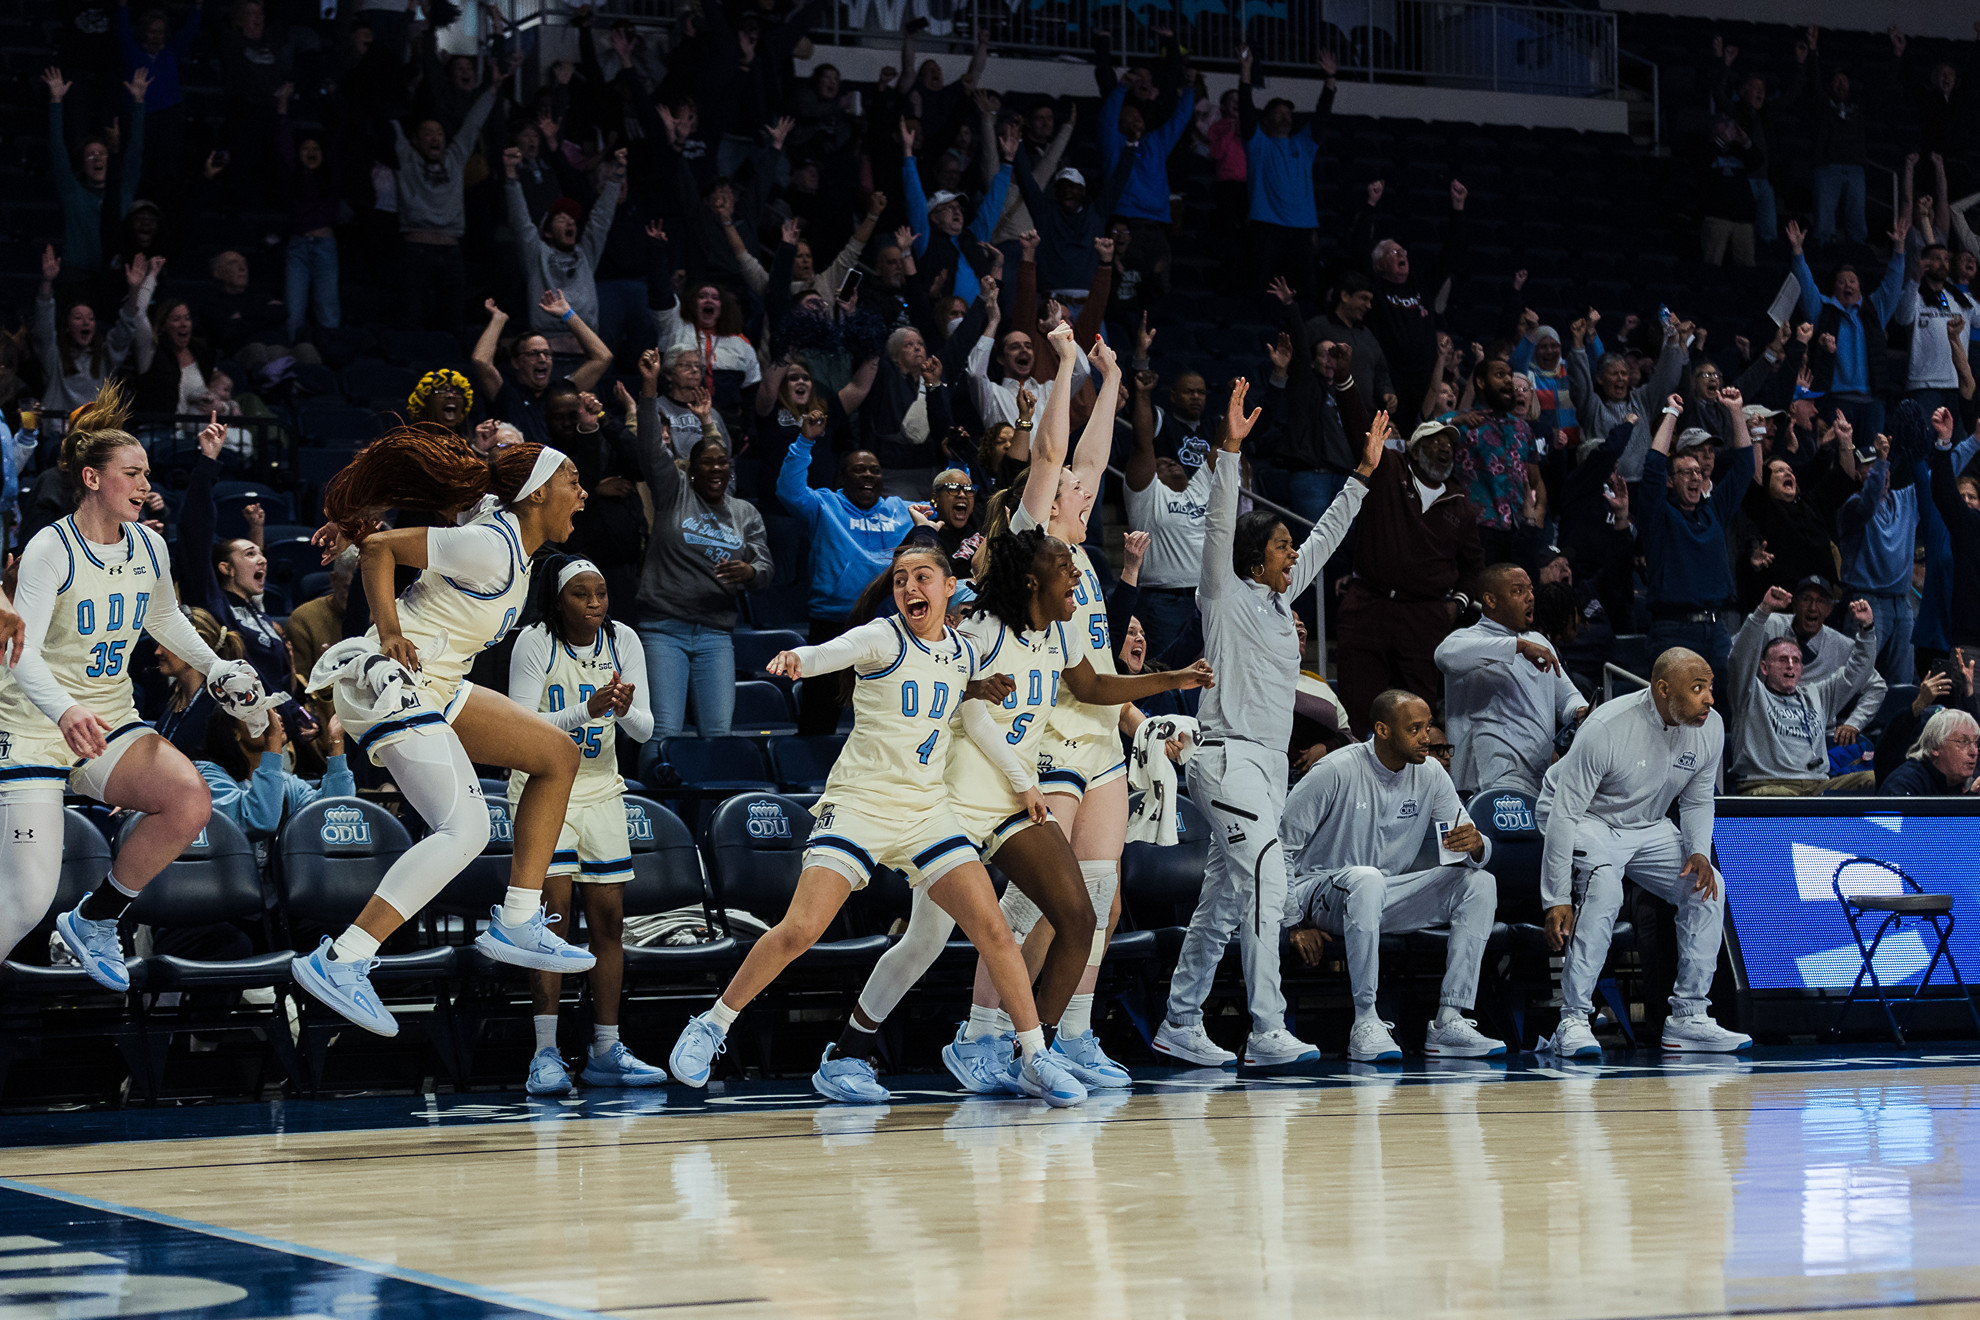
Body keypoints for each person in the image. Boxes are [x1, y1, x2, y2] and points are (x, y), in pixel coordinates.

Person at [666, 542, 1093, 1108]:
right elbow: (832, 652)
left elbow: (955, 689)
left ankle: (1035, 1054)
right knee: (801, 929)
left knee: (992, 929)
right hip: (861, 805)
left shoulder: (964, 651)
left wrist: (983, 697)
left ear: (948, 588)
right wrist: (799, 659)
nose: (911, 587)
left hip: (926, 811)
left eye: (923, 577)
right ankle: (713, 1023)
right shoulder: (881, 637)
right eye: (900, 579)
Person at [813, 527, 1212, 1104]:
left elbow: (1092, 685)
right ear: (1031, 580)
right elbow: (958, 701)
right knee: (924, 942)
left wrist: (1172, 679)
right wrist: (1013, 762)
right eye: (1063, 567)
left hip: (1011, 803)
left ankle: (1035, 1054)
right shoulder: (979, 630)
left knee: (1079, 917)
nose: (1075, 575)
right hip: (954, 803)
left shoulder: (1060, 632)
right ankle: (849, 1051)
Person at [291, 428, 593, 1037]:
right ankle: (342, 959)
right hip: (393, 680)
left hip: (441, 683)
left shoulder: (499, 529)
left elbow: (426, 501)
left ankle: (518, 919)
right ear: (537, 494)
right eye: (573, 481)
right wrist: (388, 631)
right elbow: (381, 551)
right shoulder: (489, 547)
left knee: (557, 755)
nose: (583, 494)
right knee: (467, 830)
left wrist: (350, 521)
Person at [0, 383, 270, 985]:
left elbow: (166, 618)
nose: (145, 484)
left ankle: (95, 918)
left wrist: (218, 666)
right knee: (25, 899)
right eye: (132, 473)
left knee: (190, 801)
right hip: (34, 724)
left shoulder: (148, 544)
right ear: (92, 479)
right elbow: (20, 652)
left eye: (146, 473)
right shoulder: (50, 549)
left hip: (108, 719)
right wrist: (64, 710)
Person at [1154, 385, 1380, 1069]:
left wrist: (1362, 475)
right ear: (1255, 558)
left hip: (1267, 769)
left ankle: (1180, 1020)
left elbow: (1327, 537)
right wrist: (1228, 450)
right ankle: (1265, 1028)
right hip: (1225, 760)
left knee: (1223, 901)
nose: (1292, 552)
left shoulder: (1282, 606)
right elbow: (1219, 526)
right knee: (1267, 881)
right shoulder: (1224, 596)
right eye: (1282, 545)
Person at [1535, 647, 1751, 1057]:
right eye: (1698, 688)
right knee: (1604, 888)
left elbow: (1698, 799)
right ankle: (1573, 1020)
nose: (1709, 698)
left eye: (1710, 687)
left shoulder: (1710, 727)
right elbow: (1564, 813)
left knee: (1708, 888)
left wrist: (1698, 851)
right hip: (1585, 817)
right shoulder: (1606, 727)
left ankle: (1688, 1016)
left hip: (1646, 824)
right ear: (1663, 689)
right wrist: (1557, 897)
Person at [507, 558, 667, 1095]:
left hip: (601, 791)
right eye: (581, 594)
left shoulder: (624, 641)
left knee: (609, 924)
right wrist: (586, 709)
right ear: (558, 600)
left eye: (600, 592)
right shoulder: (534, 642)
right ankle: (545, 1053)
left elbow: (644, 730)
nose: (594, 602)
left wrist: (620, 709)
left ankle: (605, 1049)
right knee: (551, 923)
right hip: (541, 787)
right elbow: (519, 727)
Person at [1281, 688, 1504, 1062]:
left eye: (1428, 727)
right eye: (1414, 729)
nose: (1426, 738)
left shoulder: (1431, 773)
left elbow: (1461, 848)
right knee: (1367, 880)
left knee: (1479, 883)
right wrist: (1292, 923)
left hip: (1381, 893)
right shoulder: (1335, 770)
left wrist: (1477, 845)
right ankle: (1366, 1021)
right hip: (1317, 893)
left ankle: (1449, 1020)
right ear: (1382, 730)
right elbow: (1281, 849)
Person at [632, 350, 772, 740]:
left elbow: (765, 570)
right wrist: (649, 388)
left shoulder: (744, 513)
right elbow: (650, 448)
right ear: (690, 470)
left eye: (722, 463)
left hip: (715, 633)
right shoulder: (673, 492)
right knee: (663, 730)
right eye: (707, 463)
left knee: (719, 734)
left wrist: (750, 571)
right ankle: (658, 785)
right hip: (663, 628)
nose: (716, 468)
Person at [1336, 418, 1483, 738]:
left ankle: (1413, 770)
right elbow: (1358, 431)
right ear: (1414, 451)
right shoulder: (1389, 472)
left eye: (1449, 444)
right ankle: (1353, 765)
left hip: (1423, 616)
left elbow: (1473, 569)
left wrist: (1456, 606)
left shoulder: (1461, 505)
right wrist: (1345, 388)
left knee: (1417, 711)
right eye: (1435, 441)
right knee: (1356, 707)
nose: (1445, 448)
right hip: (1369, 604)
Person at [778, 421, 914, 735]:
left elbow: (946, 503)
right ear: (843, 477)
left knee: (885, 716)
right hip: (832, 623)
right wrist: (804, 442)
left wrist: (958, 463)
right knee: (819, 715)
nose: (868, 475)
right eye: (859, 470)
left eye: (875, 470)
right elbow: (788, 491)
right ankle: (813, 764)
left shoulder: (901, 511)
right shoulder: (824, 505)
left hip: (886, 625)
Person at [1639, 390, 1757, 697]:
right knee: (1676, 712)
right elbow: (1653, 465)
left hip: (1717, 629)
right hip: (1672, 630)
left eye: (1698, 472)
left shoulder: (1713, 511)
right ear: (1670, 481)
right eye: (1685, 472)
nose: (1695, 477)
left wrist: (1736, 411)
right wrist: (1671, 413)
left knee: (1721, 709)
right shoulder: (1659, 516)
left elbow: (1744, 467)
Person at [1435, 563, 1589, 796]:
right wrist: (1518, 646)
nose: (1530, 597)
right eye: (1518, 591)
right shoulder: (1467, 638)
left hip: (1539, 777)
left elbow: (1566, 697)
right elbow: (1444, 656)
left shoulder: (1539, 642)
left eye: (1530, 589)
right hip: (1486, 781)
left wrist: (1579, 710)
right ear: (1491, 600)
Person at [1727, 586, 1878, 794]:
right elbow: (1740, 657)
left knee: (1871, 779)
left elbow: (1858, 672)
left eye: (1796, 660)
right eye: (1782, 660)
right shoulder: (1748, 694)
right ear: (1764, 667)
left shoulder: (1817, 695)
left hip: (1816, 783)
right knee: (1781, 797)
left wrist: (1867, 629)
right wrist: (1763, 611)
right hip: (1768, 784)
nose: (1790, 665)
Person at [1124, 366, 1213, 657]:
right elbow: (1142, 444)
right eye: (1161, 464)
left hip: (1205, 598)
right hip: (1163, 602)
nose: (1171, 463)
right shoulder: (1147, 496)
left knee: (1209, 673)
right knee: (1166, 671)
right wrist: (1143, 395)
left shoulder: (1200, 487)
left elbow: (1223, 450)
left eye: (1173, 462)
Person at [1759, 576, 1885, 741]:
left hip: (1820, 736)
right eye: (1806, 599)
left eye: (1820, 601)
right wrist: (1762, 611)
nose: (1812, 607)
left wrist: (1854, 723)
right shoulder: (1769, 625)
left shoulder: (1824, 688)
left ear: (1829, 608)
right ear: (1794, 603)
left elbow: (1874, 683)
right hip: (1771, 728)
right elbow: (1737, 658)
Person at [198, 709, 354, 840]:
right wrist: (272, 739)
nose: (276, 717)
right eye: (261, 712)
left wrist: (336, 741)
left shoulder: (286, 783)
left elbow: (332, 816)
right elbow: (260, 821)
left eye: (275, 711)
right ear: (234, 732)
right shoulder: (208, 779)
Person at [1879, 706, 1980, 796]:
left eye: (1975, 743)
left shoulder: (1971, 782)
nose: (1974, 752)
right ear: (1935, 746)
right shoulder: (1904, 784)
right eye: (1963, 742)